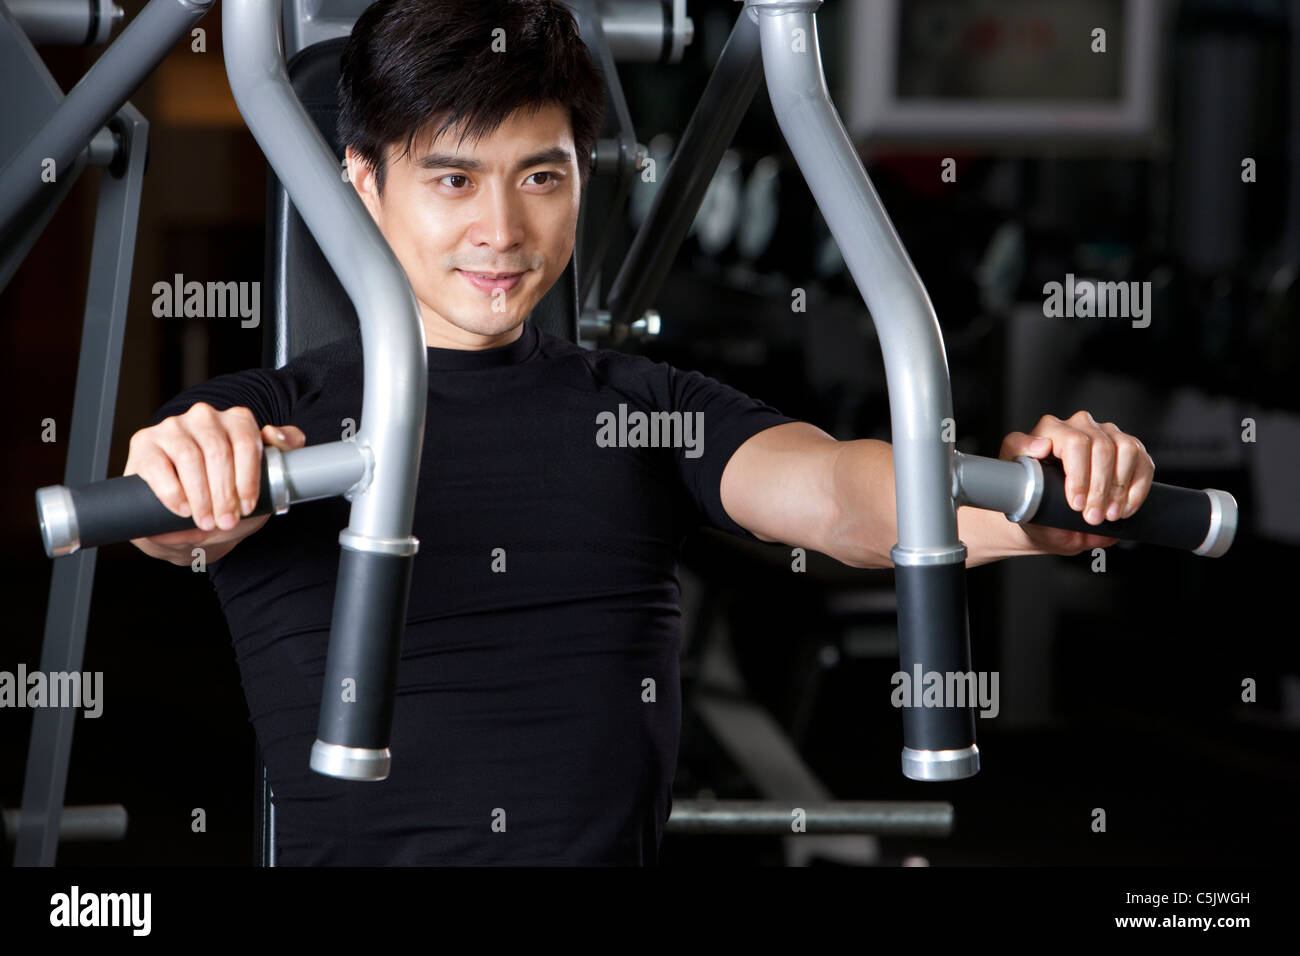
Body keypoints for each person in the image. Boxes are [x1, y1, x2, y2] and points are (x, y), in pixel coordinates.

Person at [123, 0, 1154, 865]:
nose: (502, 231)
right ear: (362, 180)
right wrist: (189, 474)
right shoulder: (271, 418)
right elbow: (171, 514)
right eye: (453, 179)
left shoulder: (644, 407)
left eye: (541, 176)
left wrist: (1029, 504)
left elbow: (839, 495)